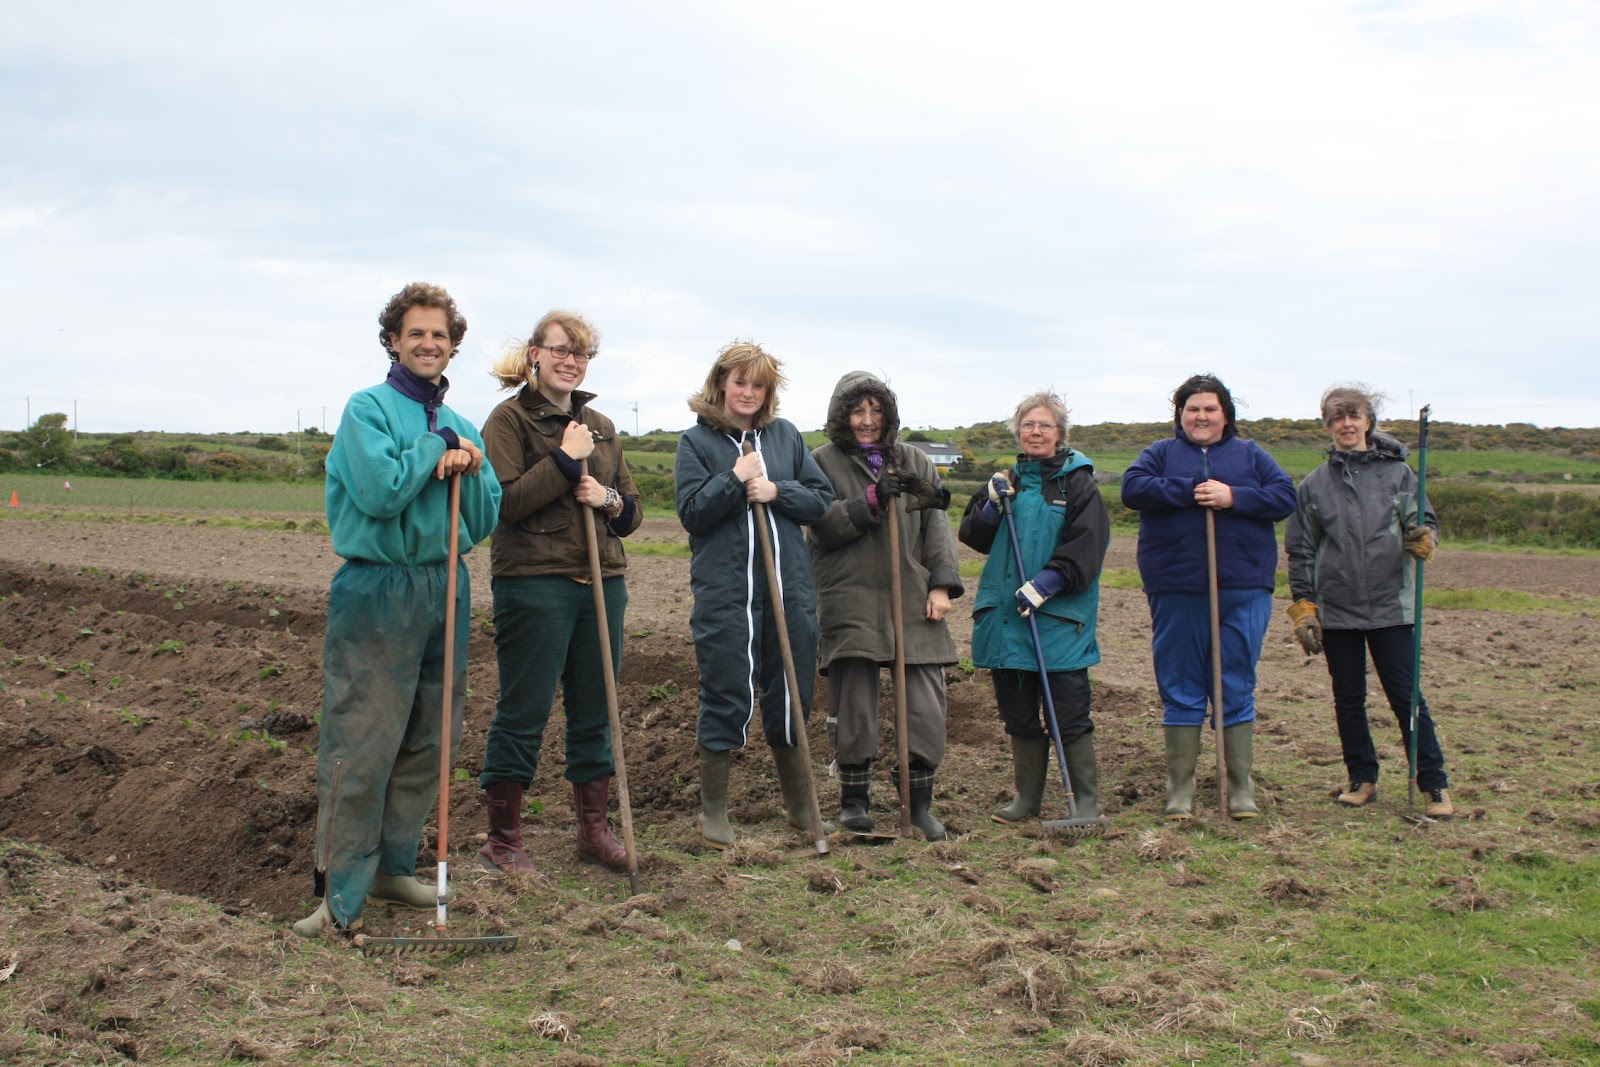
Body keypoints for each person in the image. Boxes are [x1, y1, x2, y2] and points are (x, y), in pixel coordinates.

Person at [295, 282, 501, 938]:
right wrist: (435, 452)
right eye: (416, 333)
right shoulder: (368, 411)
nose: (428, 343)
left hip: (444, 582)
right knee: (364, 738)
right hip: (377, 588)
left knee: (430, 735)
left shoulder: (463, 423)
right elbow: (382, 491)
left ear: (453, 345)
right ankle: (339, 892)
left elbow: (485, 512)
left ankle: (391, 866)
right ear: (393, 339)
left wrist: (468, 462)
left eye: (439, 335)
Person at [476, 311, 643, 875]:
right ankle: (503, 840)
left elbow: (631, 513)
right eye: (560, 350)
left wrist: (609, 501)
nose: (570, 361)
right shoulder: (508, 420)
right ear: (534, 355)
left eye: (581, 353)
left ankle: (593, 831)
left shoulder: (601, 423)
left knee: (596, 711)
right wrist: (565, 461)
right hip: (534, 584)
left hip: (601, 583)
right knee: (523, 712)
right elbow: (505, 503)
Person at [675, 341, 835, 848]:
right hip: (726, 595)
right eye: (739, 381)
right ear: (721, 382)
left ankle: (800, 807)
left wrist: (776, 491)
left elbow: (822, 501)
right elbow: (693, 513)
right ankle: (714, 812)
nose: (747, 392)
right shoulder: (696, 442)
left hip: (788, 591)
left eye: (757, 384)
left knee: (791, 690)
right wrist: (735, 478)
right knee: (725, 688)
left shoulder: (785, 437)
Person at [1121, 374, 1295, 821]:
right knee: (1180, 684)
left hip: (1244, 585)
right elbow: (1133, 489)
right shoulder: (1159, 454)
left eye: (1210, 408)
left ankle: (1240, 788)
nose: (1201, 416)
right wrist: (1190, 490)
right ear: (1180, 414)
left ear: (1226, 415)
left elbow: (1284, 496)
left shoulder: (1252, 455)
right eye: (1192, 408)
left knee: (1235, 679)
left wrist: (1233, 495)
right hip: (1177, 585)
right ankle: (1180, 789)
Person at [1284, 385, 1453, 818]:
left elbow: (1424, 521)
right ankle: (1362, 778)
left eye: (1352, 416)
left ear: (1367, 421)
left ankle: (1433, 784)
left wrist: (1425, 538)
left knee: (1406, 697)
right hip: (1337, 609)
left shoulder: (1399, 475)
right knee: (1348, 698)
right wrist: (1304, 605)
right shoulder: (1315, 485)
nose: (1345, 424)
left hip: (1393, 604)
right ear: (1328, 426)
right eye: (1336, 418)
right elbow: (1300, 549)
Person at [809, 371, 963, 840]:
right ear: (841, 414)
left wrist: (941, 586)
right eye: (858, 411)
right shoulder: (820, 462)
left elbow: (936, 525)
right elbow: (822, 526)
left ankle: (917, 804)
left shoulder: (913, 459)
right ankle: (854, 801)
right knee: (854, 702)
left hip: (911, 593)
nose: (868, 420)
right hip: (848, 593)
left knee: (924, 703)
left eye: (876, 410)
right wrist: (870, 500)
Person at [959, 391, 1111, 825]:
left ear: (1060, 433)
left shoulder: (1077, 483)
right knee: (1018, 715)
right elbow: (974, 536)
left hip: (1058, 620)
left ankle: (1084, 803)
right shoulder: (1008, 481)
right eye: (1029, 425)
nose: (1036, 432)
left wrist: (1046, 583)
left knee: (1068, 713)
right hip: (1008, 619)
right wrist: (989, 505)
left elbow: (1088, 545)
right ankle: (1027, 800)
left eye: (1044, 425)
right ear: (1018, 432)